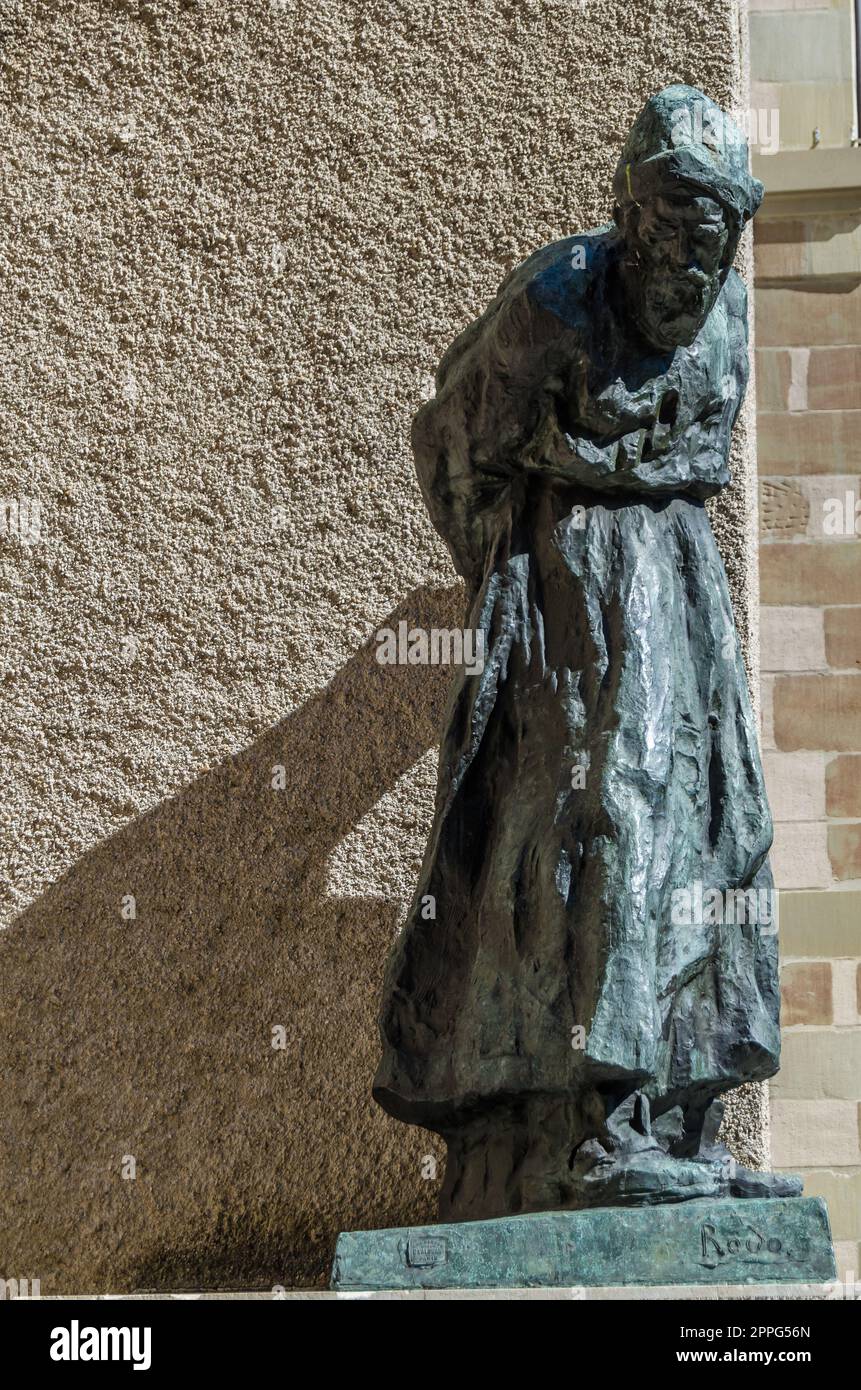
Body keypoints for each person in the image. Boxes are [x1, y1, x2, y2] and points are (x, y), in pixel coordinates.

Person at [374, 86, 800, 1221]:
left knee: (720, 827)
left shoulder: (732, 322)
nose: (687, 272)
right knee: (614, 802)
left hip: (681, 586)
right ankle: (598, 1123)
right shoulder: (555, 304)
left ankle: (680, 1117)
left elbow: (693, 465)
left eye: (710, 246)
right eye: (667, 237)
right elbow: (452, 449)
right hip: (571, 578)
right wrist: (509, 582)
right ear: (627, 216)